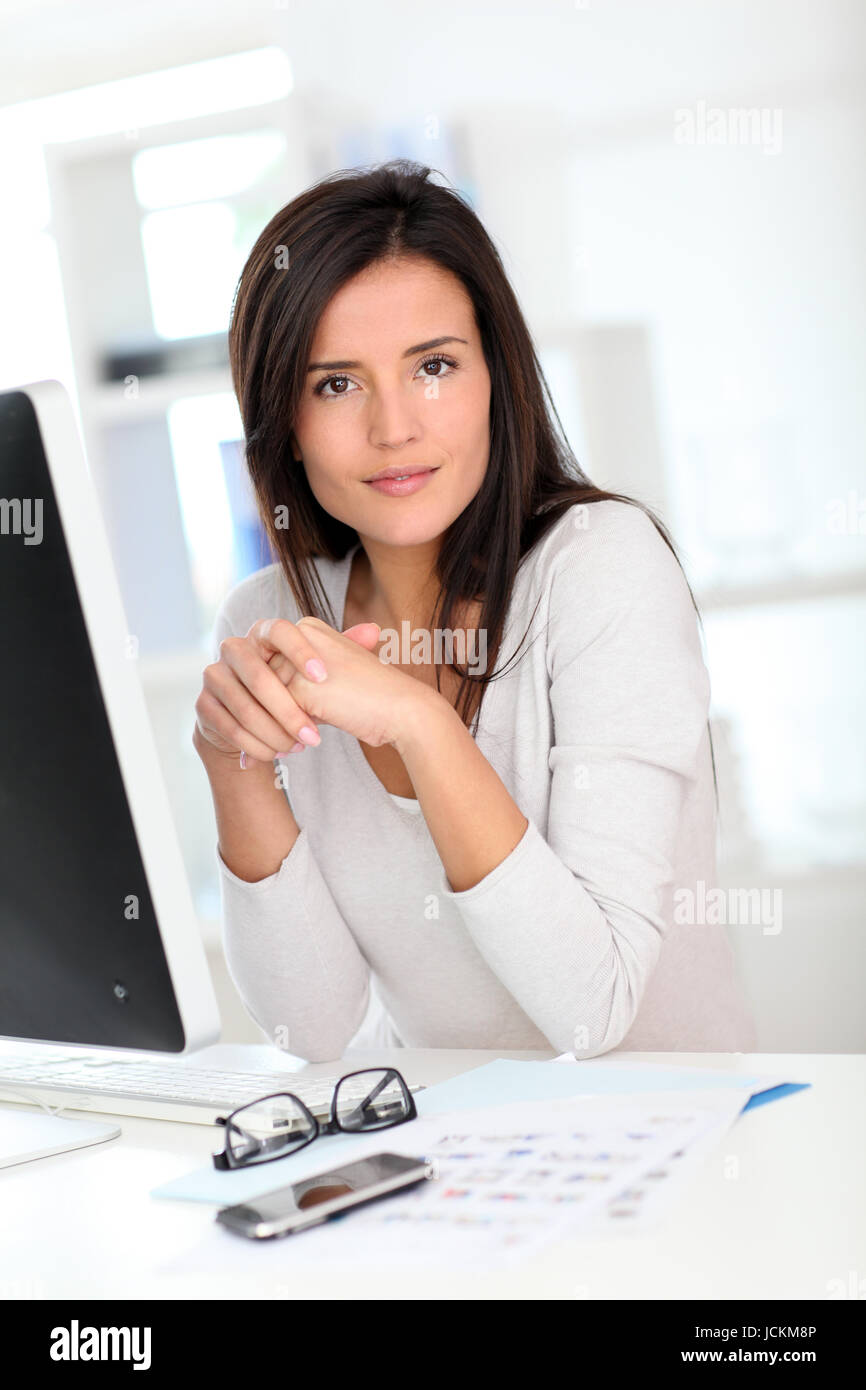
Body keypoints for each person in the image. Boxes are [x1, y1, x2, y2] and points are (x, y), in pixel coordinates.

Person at [193, 159, 756, 1062]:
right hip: (452, 1165)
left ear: (497, 373)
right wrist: (232, 765)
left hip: (673, 1153)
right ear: (282, 420)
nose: (394, 428)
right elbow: (316, 1028)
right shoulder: (269, 619)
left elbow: (592, 1010)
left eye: (435, 367)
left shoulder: (599, 568)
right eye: (336, 383)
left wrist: (418, 720)